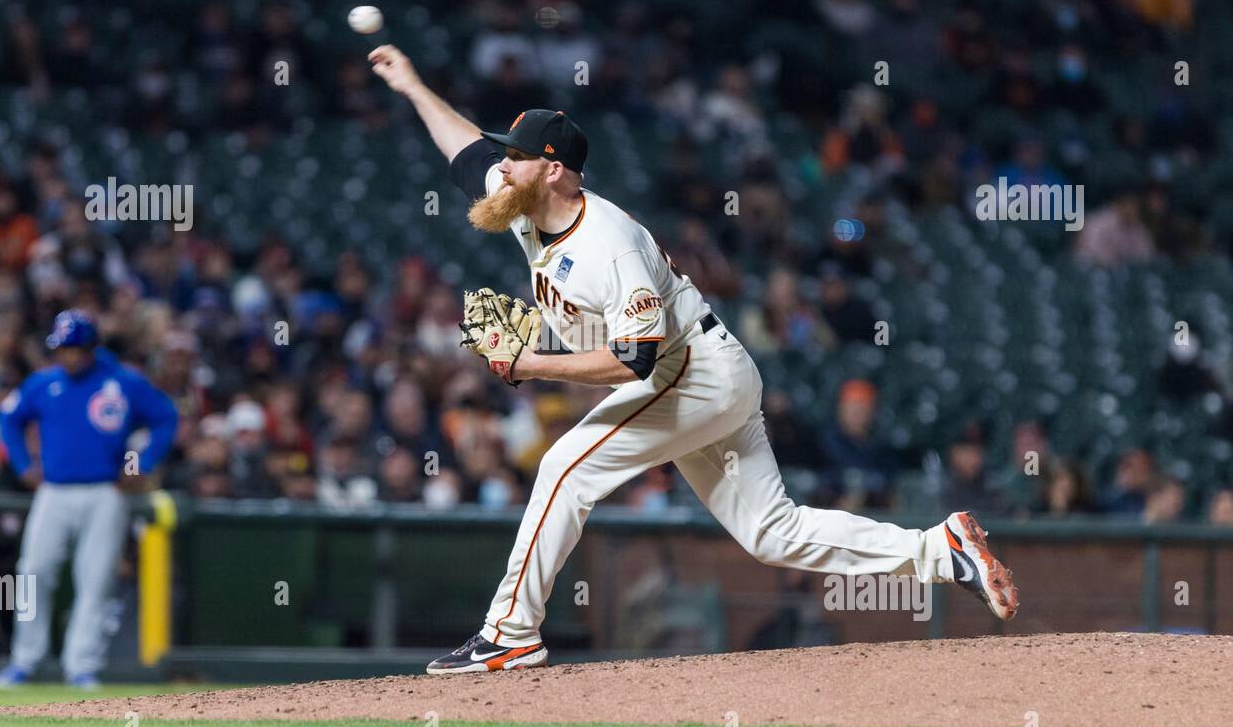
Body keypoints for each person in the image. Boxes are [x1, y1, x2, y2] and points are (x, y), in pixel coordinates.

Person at [367, 44, 1019, 675]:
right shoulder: (523, 204)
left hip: (692, 373)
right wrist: (414, 87)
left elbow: (635, 361)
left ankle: (508, 636)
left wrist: (532, 366)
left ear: (554, 169)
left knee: (566, 468)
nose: (501, 167)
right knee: (772, 533)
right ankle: (938, 550)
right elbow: (466, 153)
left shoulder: (609, 244)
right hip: (708, 376)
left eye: (515, 158)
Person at [0, 310, 178, 689]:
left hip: (105, 491)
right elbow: (9, 420)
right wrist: (24, 465)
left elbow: (166, 417)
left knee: (94, 579)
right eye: (62, 348)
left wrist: (139, 462)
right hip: (54, 490)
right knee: (33, 572)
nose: (68, 356)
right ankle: (25, 660)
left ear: (92, 347)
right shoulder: (43, 383)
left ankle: (81, 664)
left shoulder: (122, 382)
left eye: (75, 348)